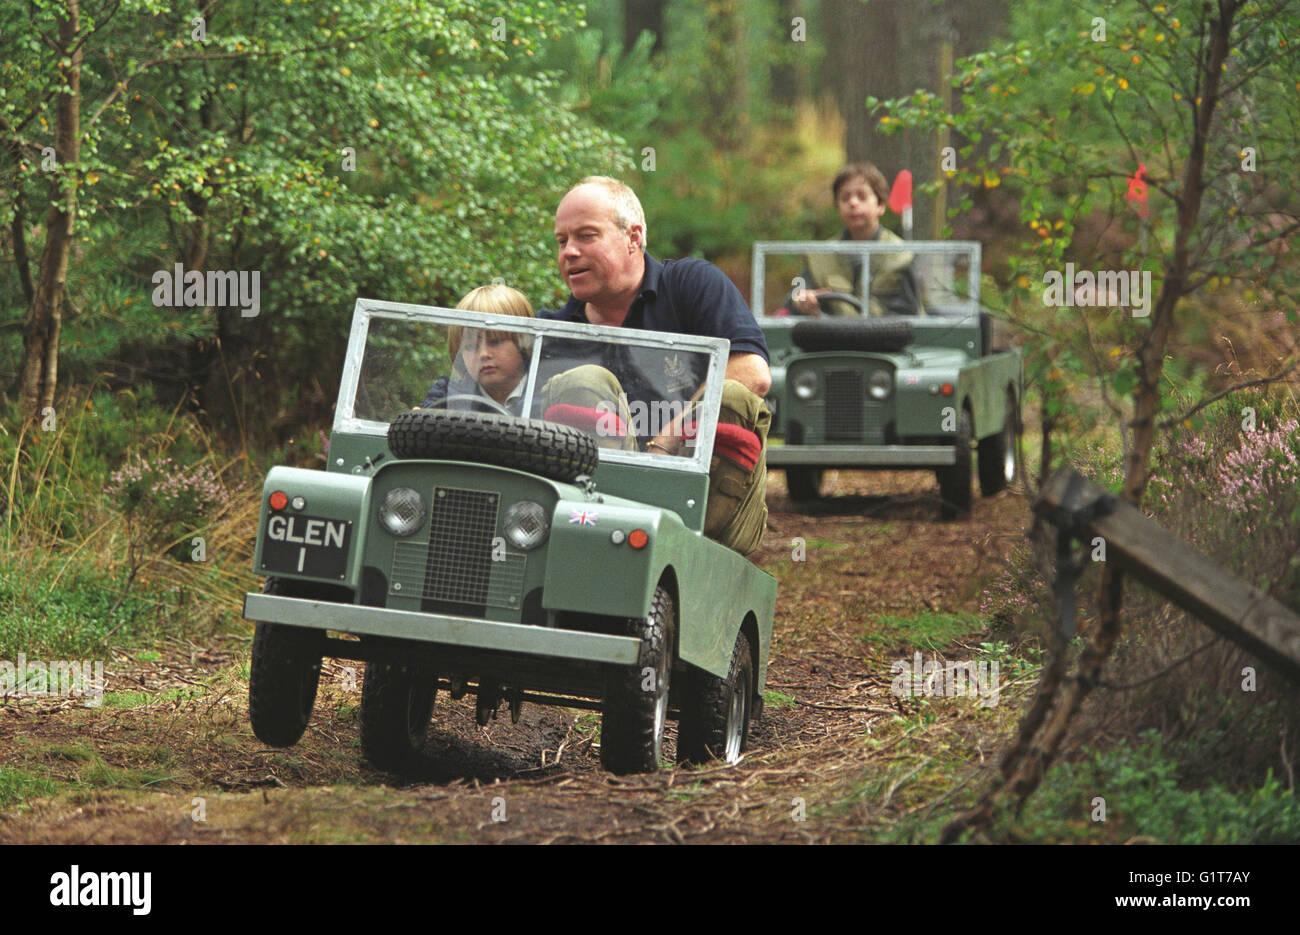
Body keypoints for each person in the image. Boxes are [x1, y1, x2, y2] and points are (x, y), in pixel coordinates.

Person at [540, 176, 771, 556]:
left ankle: (686, 548)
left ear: (633, 237)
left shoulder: (692, 284)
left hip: (710, 514)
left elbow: (753, 374)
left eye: (586, 236)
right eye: (562, 241)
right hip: (595, 517)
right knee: (582, 382)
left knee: (730, 396)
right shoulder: (553, 330)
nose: (569, 252)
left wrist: (662, 448)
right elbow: (486, 390)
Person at [790, 162, 923, 318]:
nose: (853, 203)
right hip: (832, 338)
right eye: (845, 198)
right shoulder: (820, 256)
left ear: (880, 205)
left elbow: (911, 316)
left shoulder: (903, 256)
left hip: (888, 340)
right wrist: (802, 300)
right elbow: (793, 302)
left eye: (862, 196)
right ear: (837, 207)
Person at [422, 284, 535, 415]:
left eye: (495, 341)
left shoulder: (548, 394)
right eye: (471, 346)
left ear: (524, 342)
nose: (484, 354)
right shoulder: (446, 396)